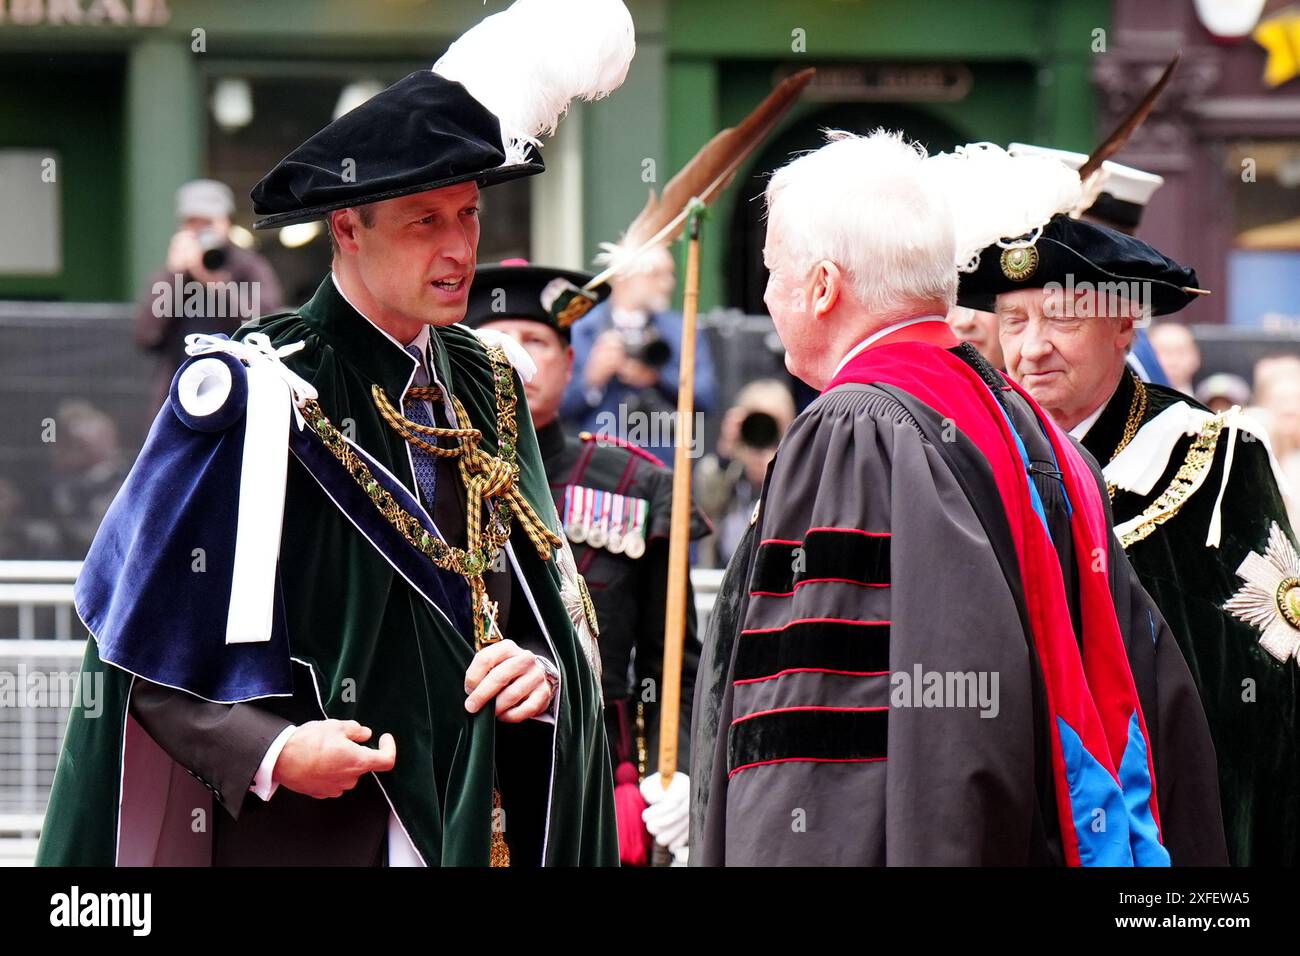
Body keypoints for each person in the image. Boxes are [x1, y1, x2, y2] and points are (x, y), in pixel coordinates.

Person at [38, 0, 636, 867]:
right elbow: (139, 652)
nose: (458, 248)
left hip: (481, 823)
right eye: (424, 221)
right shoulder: (253, 386)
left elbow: (550, 606)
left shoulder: (491, 382)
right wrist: (274, 755)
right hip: (314, 838)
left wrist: (541, 678)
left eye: (467, 214)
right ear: (346, 229)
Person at [691, 130, 1223, 867]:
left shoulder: (853, 431)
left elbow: (815, 742)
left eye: (773, 272)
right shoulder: (1036, 433)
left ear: (821, 286)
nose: (765, 296)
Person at [966, 207, 1299, 866]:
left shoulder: (1211, 459)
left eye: (1061, 319)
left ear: (1123, 324)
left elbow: (1268, 690)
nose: (1032, 349)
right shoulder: (973, 454)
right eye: (1013, 322)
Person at [461, 260, 710, 865]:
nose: (515, 359)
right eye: (496, 344)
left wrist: (673, 771)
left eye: (536, 342)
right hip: (465, 767)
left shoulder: (636, 483)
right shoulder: (427, 476)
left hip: (595, 765)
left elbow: (669, 657)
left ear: (571, 363)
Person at [133, 179, 284, 410]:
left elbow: (264, 325)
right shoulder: (175, 273)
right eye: (194, 223)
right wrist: (174, 274)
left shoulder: (249, 265)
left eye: (209, 222)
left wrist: (216, 283)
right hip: (180, 396)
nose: (202, 231)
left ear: (226, 222)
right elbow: (147, 336)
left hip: (240, 394)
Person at [560, 244, 717, 461]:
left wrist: (656, 378)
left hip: (662, 462)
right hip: (597, 464)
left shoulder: (683, 331)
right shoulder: (581, 330)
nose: (668, 284)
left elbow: (706, 398)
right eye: (656, 275)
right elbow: (556, 407)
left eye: (669, 274)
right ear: (623, 278)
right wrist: (592, 379)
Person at [695, 378, 795, 567]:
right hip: (721, 577)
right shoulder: (729, 471)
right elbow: (707, 503)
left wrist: (776, 471)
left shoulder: (795, 471)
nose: (762, 431)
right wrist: (726, 449)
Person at [1148, 322, 1201, 397]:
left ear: (1196, 356)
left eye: (1181, 352)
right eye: (1163, 351)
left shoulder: (1212, 402)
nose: (1173, 361)